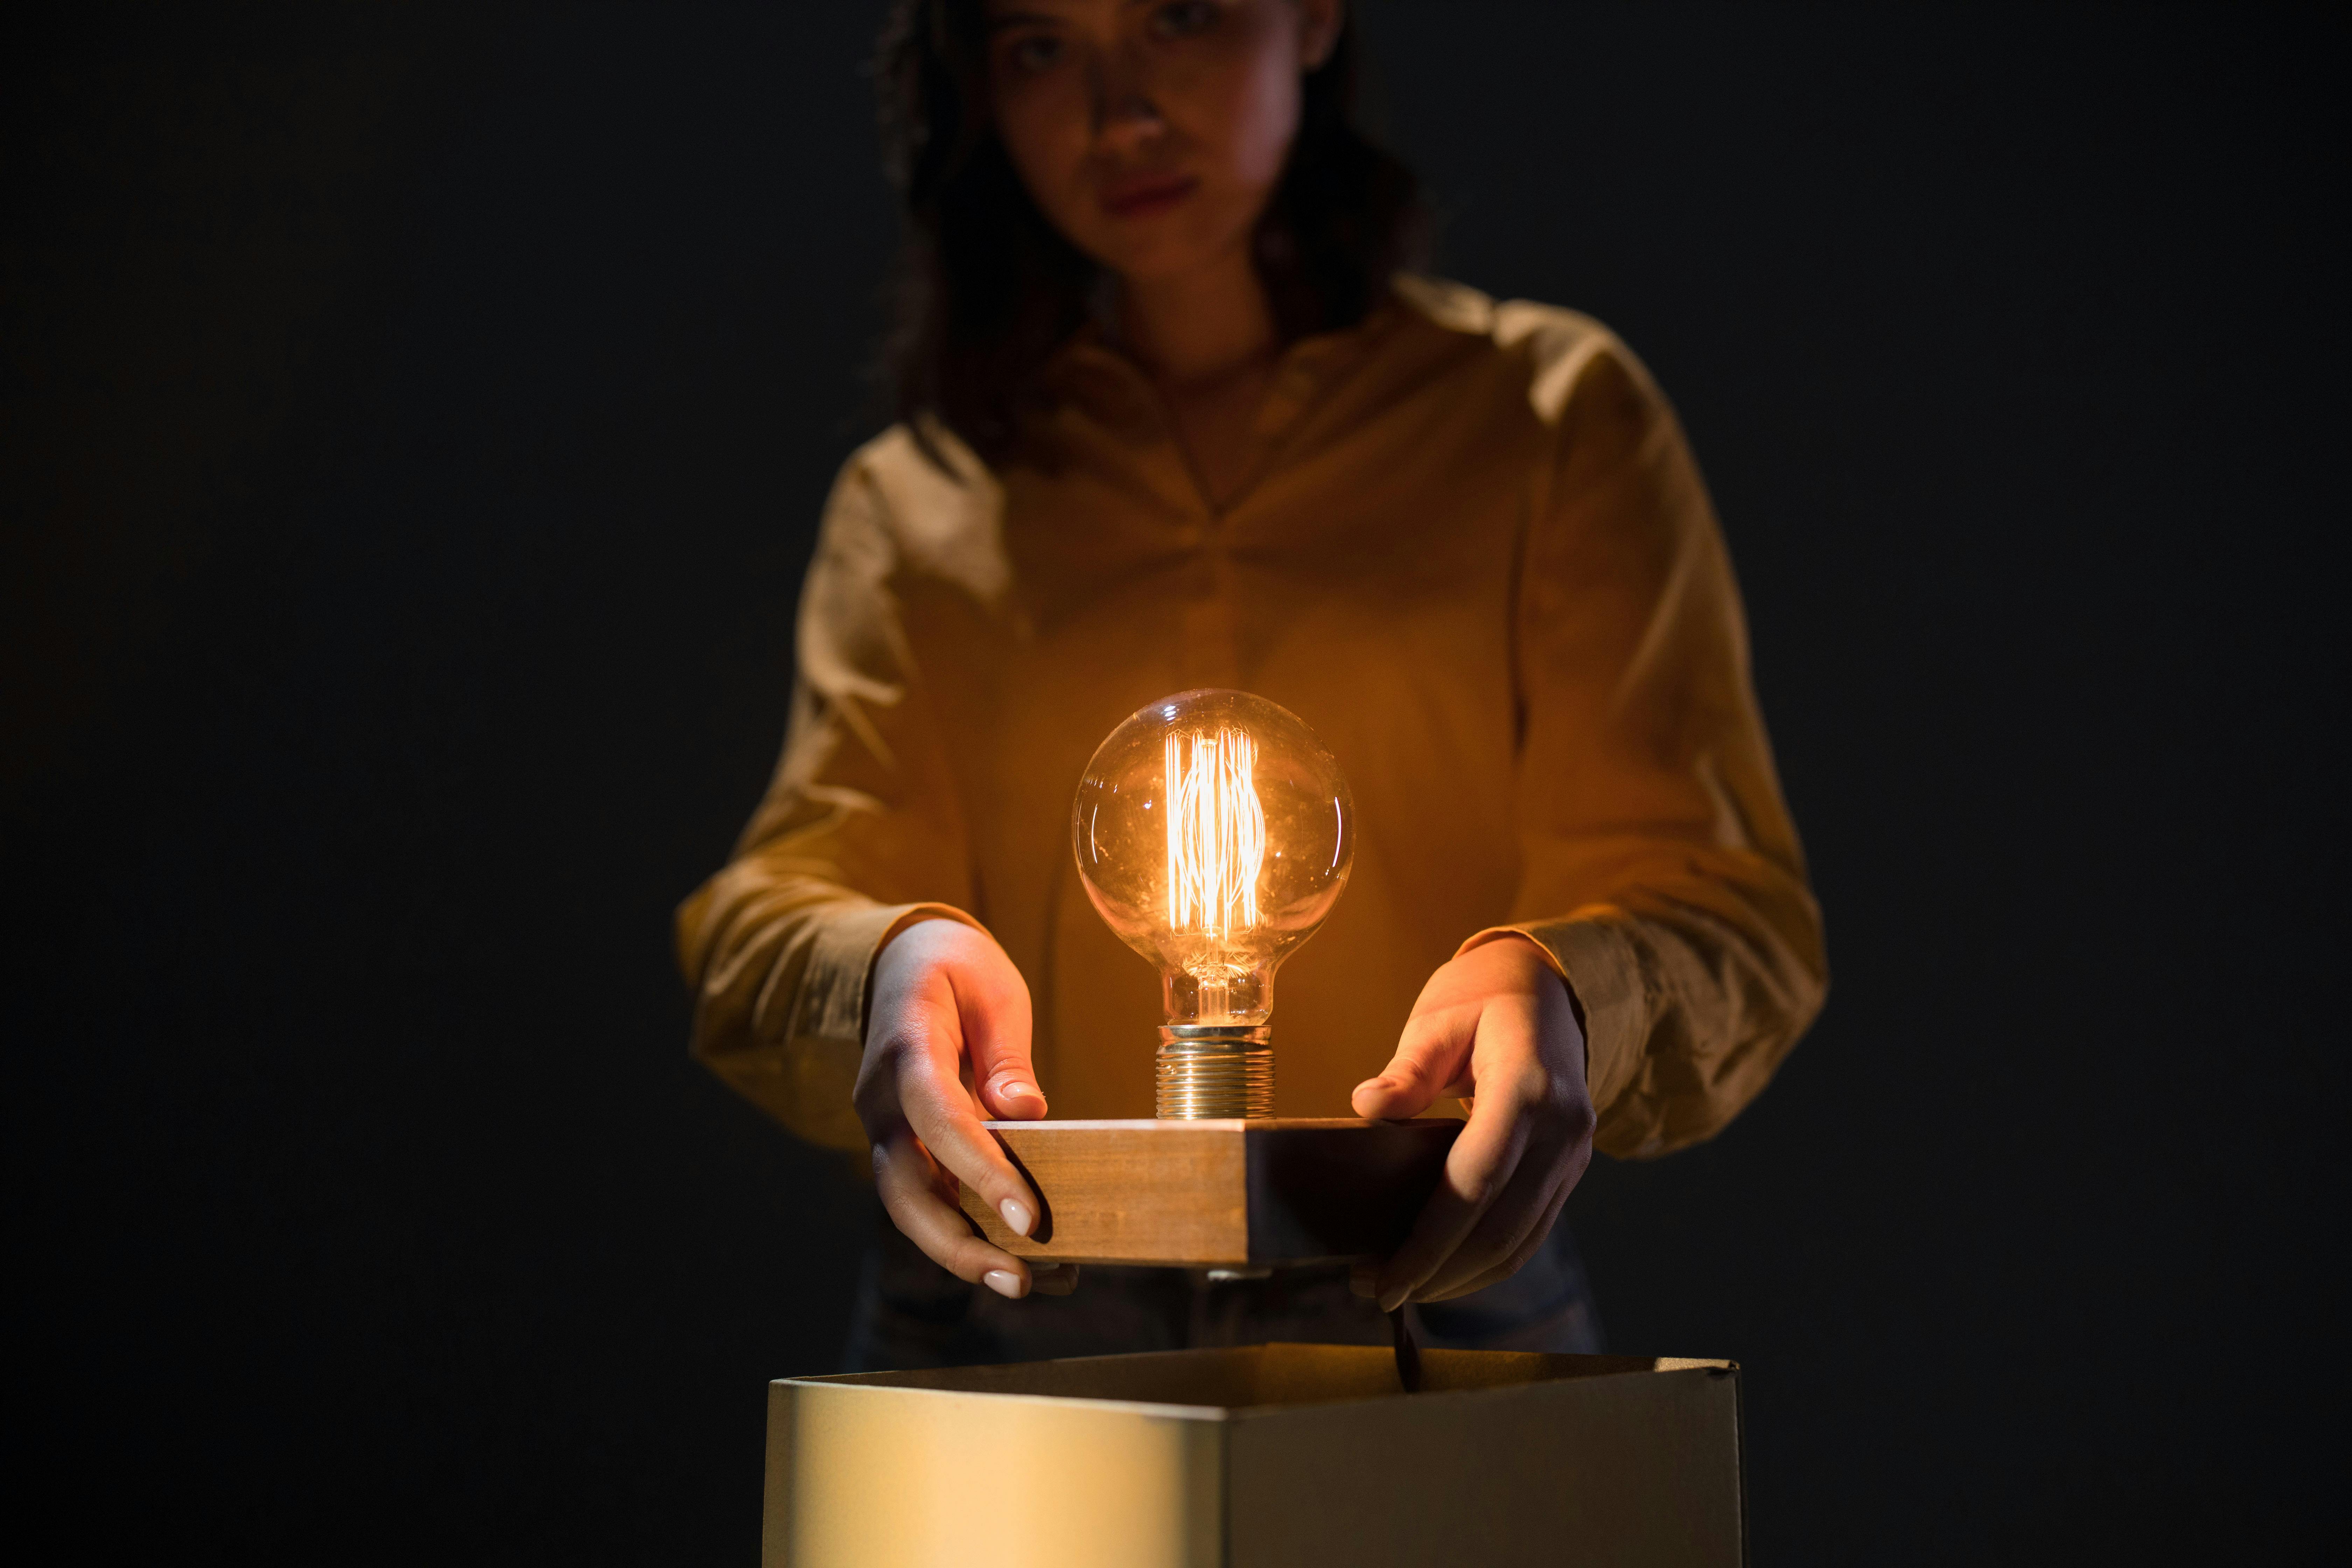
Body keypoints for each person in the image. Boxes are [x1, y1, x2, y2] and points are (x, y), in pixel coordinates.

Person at [677, 0, 1826, 1369]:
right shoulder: (920, 503)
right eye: (1041, 47)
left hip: (1424, 1274)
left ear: (1314, 16)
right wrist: (885, 968)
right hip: (1018, 1283)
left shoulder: (1548, 422)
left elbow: (1731, 910)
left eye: (1182, 16)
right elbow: (766, 921)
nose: (1120, 116)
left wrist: (1569, 990)